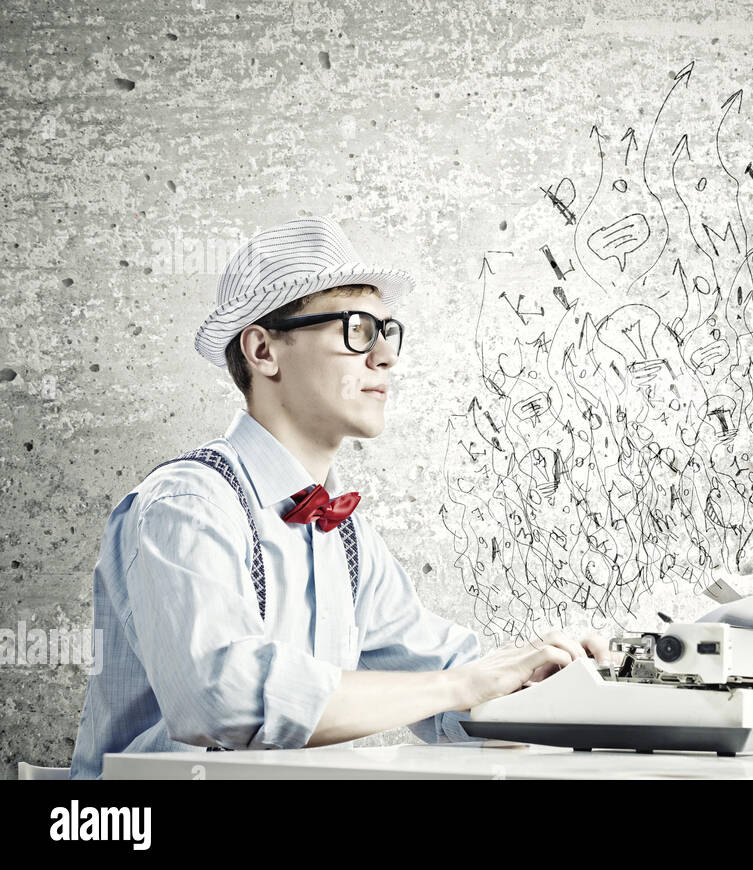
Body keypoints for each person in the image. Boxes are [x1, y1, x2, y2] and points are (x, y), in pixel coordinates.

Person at [70, 216, 608, 778]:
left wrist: (546, 677)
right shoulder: (185, 504)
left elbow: (452, 689)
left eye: (386, 331)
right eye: (356, 330)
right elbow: (222, 696)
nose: (385, 357)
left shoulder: (345, 538)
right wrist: (462, 683)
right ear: (263, 350)